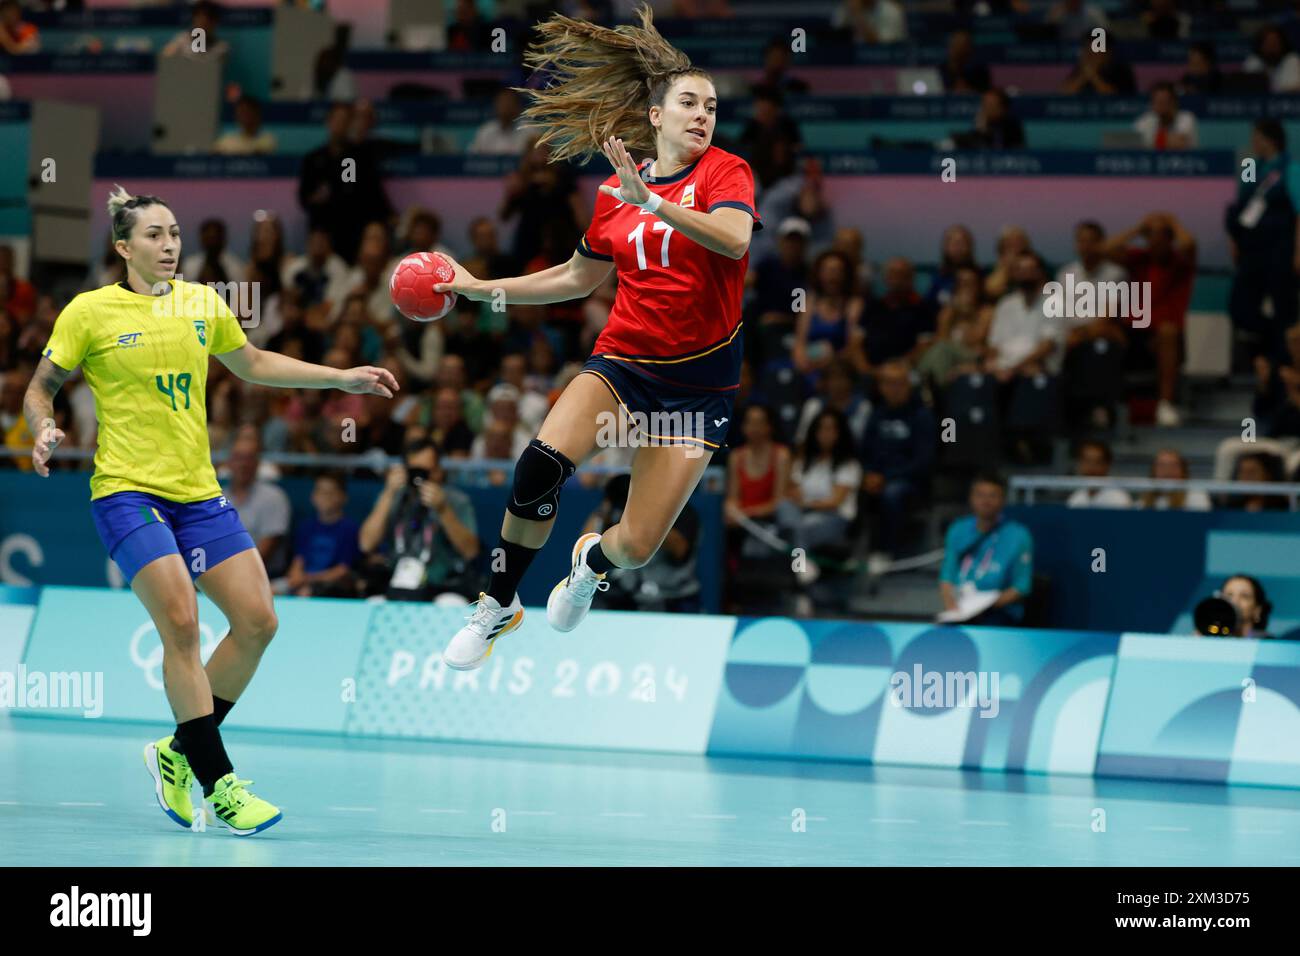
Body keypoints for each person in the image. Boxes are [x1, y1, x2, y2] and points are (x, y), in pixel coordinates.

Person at [23, 187, 398, 835]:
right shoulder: (89, 312)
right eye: (153, 236)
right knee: (184, 625)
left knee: (258, 622)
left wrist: (337, 378)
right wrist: (42, 427)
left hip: (198, 493)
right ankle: (219, 784)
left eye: (174, 233)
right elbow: (41, 387)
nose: (169, 245)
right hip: (126, 492)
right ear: (123, 248)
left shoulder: (203, 302)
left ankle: (176, 751)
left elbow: (251, 363)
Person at [432, 4, 762, 668]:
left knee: (638, 545)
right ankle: (498, 604)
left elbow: (734, 240)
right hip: (622, 365)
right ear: (655, 116)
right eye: (690, 103)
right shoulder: (615, 191)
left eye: (713, 107)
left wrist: (657, 203)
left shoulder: (725, 173)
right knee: (537, 469)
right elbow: (576, 278)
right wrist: (480, 288)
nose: (704, 115)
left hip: (697, 386)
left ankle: (590, 564)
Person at [1103, 211, 1197, 427]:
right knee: (1101, 328)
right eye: (1151, 235)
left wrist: (1172, 221)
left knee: (1167, 333)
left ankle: (1165, 404)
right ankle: (1104, 406)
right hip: (1133, 328)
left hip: (1165, 333)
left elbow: (1189, 244)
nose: (1155, 239)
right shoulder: (1138, 258)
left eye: (1162, 234)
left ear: (1170, 237)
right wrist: (1138, 228)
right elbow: (1106, 250)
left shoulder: (1180, 262)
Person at [358, 438, 480, 600]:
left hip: (442, 585)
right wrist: (388, 493)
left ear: (438, 470)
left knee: (451, 603)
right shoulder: (393, 497)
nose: (420, 477)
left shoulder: (455, 500)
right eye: (414, 470)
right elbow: (366, 544)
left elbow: (471, 551)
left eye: (426, 471)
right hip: (396, 583)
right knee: (373, 602)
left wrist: (443, 510)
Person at [1226, 119, 1300, 363]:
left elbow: (1298, 213)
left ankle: (1281, 363)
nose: (1253, 143)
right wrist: (1235, 240)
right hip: (1251, 248)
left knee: (1284, 308)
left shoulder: (1290, 167)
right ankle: (1271, 342)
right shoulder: (1250, 165)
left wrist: (1298, 251)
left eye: (1257, 138)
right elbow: (1243, 204)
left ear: (1270, 140)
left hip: (1280, 247)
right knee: (1240, 308)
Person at [583, 473, 702, 613]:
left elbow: (680, 549)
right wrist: (605, 513)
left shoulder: (680, 510)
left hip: (671, 596)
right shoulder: (609, 513)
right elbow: (586, 549)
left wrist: (643, 521)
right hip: (621, 595)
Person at [860, 360, 935, 569]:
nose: (894, 389)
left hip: (910, 480)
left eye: (899, 383)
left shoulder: (922, 416)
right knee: (853, 487)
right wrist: (868, 474)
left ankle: (888, 552)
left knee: (892, 494)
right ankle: (852, 552)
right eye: (888, 383)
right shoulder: (876, 414)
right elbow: (864, 452)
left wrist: (886, 477)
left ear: (908, 385)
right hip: (878, 476)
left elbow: (924, 461)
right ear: (881, 387)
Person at [777, 408, 862, 582]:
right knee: (784, 506)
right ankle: (802, 565)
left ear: (840, 433)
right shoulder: (805, 461)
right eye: (822, 429)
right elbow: (791, 491)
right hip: (803, 515)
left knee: (796, 529)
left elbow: (834, 502)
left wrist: (806, 503)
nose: (826, 434)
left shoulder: (849, 465)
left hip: (835, 519)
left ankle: (799, 566)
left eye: (831, 429)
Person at [939, 473, 1033, 626]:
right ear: (971, 498)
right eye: (980, 495)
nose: (986, 501)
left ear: (1003, 500)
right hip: (961, 609)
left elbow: (1021, 587)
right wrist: (953, 608)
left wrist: (982, 607)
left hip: (998, 612)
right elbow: (947, 577)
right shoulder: (958, 529)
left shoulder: (1019, 535)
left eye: (992, 496)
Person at [286, 471, 360, 598]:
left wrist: (307, 580)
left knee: (306, 593)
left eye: (331, 492)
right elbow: (298, 561)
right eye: (320, 491)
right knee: (268, 591)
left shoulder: (349, 528)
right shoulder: (306, 527)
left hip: (330, 586)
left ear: (343, 497)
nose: (325, 497)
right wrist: (295, 577)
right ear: (313, 496)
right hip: (303, 581)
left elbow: (342, 570)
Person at [1065, 439, 1132, 508]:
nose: (1091, 468)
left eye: (1097, 462)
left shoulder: (1119, 499)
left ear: (1107, 465)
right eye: (1087, 461)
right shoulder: (1075, 498)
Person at [1139, 448, 1210, 511]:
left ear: (1183, 470)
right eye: (1162, 465)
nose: (1167, 471)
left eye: (1173, 465)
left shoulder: (1196, 495)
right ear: (1153, 471)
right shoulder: (1144, 500)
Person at [1133, 82, 1198, 150]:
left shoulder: (1187, 118)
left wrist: (1153, 140)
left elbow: (1179, 143)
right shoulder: (1144, 120)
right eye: (1157, 102)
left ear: (1174, 102)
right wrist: (1165, 140)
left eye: (1164, 102)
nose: (1161, 107)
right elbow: (1136, 145)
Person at [213, 96, 278, 156]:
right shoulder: (225, 141)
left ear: (257, 114)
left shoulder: (267, 140)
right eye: (241, 113)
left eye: (247, 112)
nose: (244, 117)